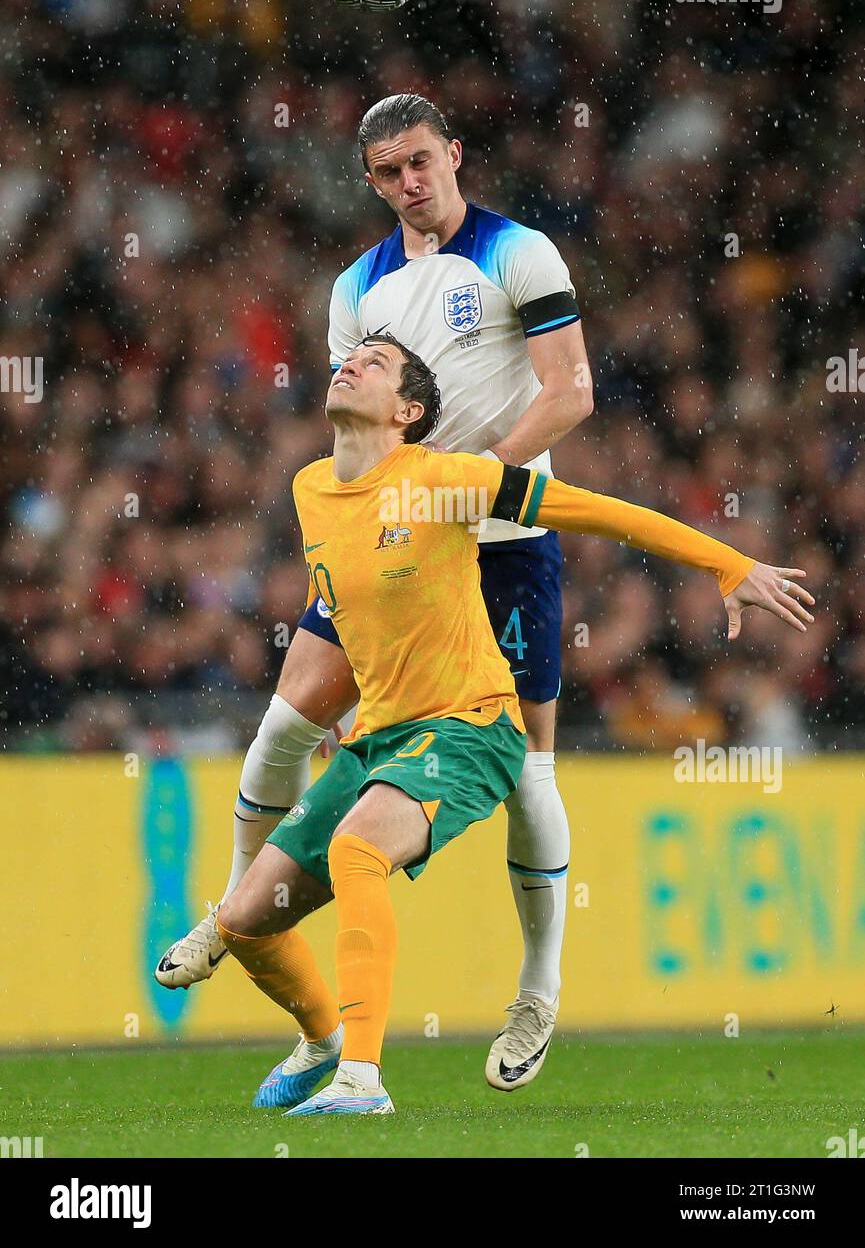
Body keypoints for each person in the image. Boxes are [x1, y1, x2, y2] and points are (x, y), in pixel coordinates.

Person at [215, 334, 813, 1117]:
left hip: (472, 727)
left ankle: (362, 1080)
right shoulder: (308, 489)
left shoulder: (444, 480)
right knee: (245, 923)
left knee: (356, 851)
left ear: (409, 411)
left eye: (376, 362)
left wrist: (727, 565)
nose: (350, 361)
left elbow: (597, 513)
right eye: (350, 353)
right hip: (379, 740)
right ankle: (324, 1036)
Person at [158, 91, 596, 1091]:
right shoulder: (355, 286)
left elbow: (569, 390)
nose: (411, 180)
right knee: (280, 726)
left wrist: (470, 487)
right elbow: (358, 421)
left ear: (455, 154)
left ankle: (539, 986)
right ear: (370, 181)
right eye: (391, 169)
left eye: (423, 160)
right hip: (389, 550)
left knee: (531, 772)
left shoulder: (517, 251)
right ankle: (233, 909)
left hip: (501, 541)